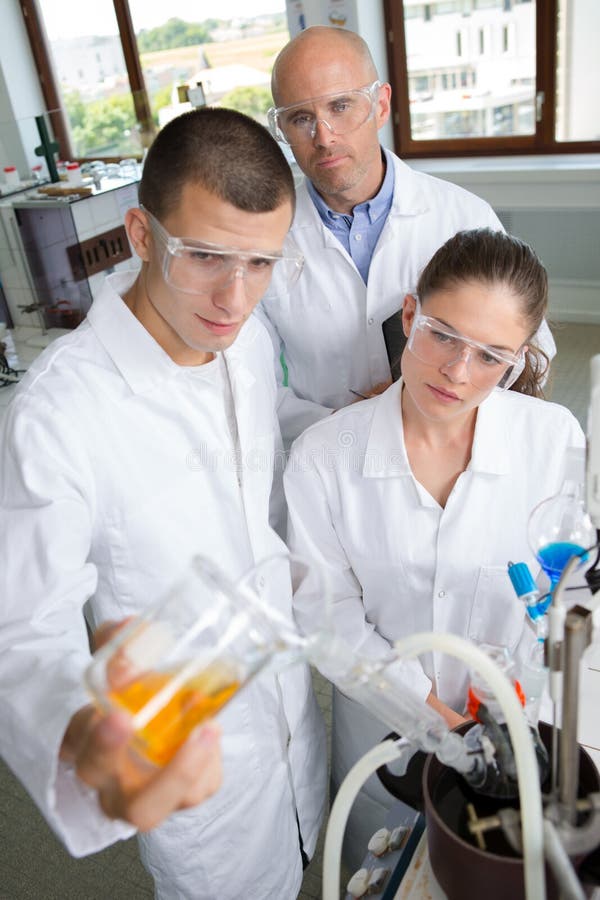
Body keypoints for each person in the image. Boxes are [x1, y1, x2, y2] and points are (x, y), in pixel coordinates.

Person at [0, 108, 326, 900]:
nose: (235, 295)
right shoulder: (57, 414)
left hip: (286, 700)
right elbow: (20, 630)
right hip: (187, 763)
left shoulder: (241, 338)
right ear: (141, 234)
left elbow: (263, 440)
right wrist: (92, 741)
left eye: (261, 263)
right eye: (206, 255)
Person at [284, 228, 584, 868]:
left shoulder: (552, 438)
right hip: (385, 730)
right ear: (411, 315)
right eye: (443, 334)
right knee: (384, 866)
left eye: (491, 355)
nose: (456, 372)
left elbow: (568, 583)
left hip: (521, 722)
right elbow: (325, 613)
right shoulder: (323, 457)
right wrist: (433, 718)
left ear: (519, 358)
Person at [257, 25, 556, 446]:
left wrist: (425, 411)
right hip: (327, 450)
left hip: (448, 450)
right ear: (282, 128)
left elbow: (528, 355)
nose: (324, 137)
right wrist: (355, 423)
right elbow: (254, 384)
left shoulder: (463, 216)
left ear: (381, 105)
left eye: (341, 106)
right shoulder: (260, 241)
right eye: (301, 118)